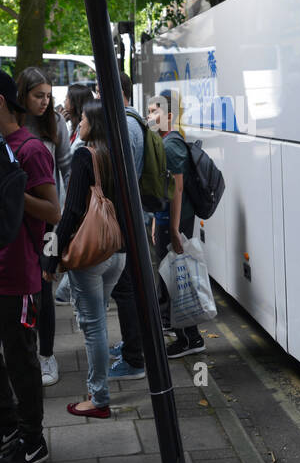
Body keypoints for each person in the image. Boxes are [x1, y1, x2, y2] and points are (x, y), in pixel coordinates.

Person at [0, 68, 59, 463]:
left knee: (21, 358)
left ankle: (32, 437)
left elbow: (52, 210)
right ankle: (5, 423)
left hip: (18, 273)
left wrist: (12, 193)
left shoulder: (31, 148)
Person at [42, 100, 129, 418]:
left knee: (93, 327)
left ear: (95, 122)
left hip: (90, 254)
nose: (78, 123)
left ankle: (99, 398)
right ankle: (100, 388)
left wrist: (51, 258)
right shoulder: (117, 153)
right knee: (98, 323)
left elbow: (73, 211)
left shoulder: (85, 155)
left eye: (83, 119)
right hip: (115, 252)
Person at [17, 66, 71, 387]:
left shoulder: (56, 123)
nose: (45, 102)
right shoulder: (11, 121)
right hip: (16, 220)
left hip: (49, 223)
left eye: (48, 96)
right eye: (39, 96)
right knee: (18, 289)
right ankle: (21, 355)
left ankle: (46, 354)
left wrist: (66, 218)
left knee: (44, 284)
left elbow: (66, 167)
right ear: (22, 94)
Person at [148, 90, 206, 357]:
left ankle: (190, 339)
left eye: (155, 111)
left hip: (176, 221)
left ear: (169, 116)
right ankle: (181, 332)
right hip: (166, 220)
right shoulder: (164, 141)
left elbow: (178, 190)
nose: (150, 116)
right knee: (171, 276)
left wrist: (172, 229)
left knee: (177, 279)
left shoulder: (171, 144)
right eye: (148, 111)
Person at [106, 72, 150, 381]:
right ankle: (135, 346)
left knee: (127, 289)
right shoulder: (136, 121)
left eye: (100, 89)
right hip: (136, 217)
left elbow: (123, 179)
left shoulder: (126, 125)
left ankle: (135, 358)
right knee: (133, 286)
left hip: (128, 218)